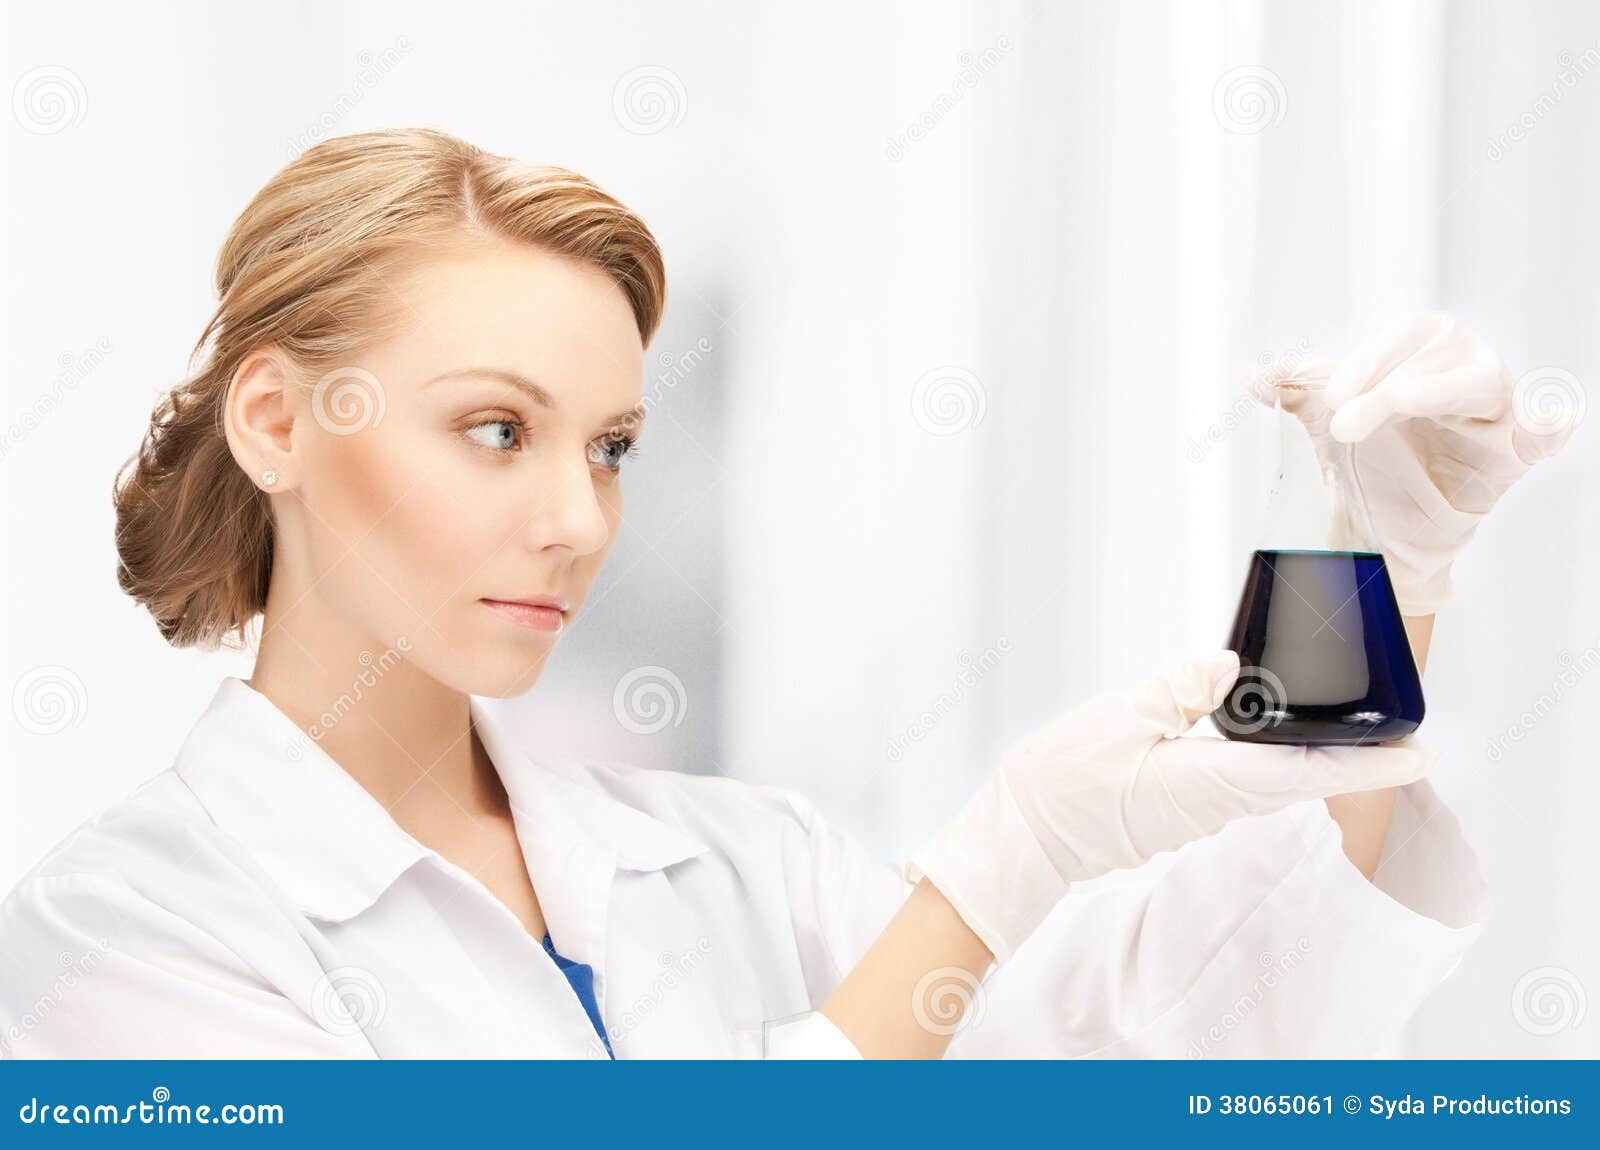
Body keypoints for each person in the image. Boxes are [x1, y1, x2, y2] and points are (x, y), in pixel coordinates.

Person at [0, 130, 1567, 1059]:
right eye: (497, 429)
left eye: (610, 445)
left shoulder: (740, 862)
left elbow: (1162, 1045)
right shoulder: (123, 934)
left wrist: (1372, 576)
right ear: (278, 422)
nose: (576, 519)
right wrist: (988, 870)